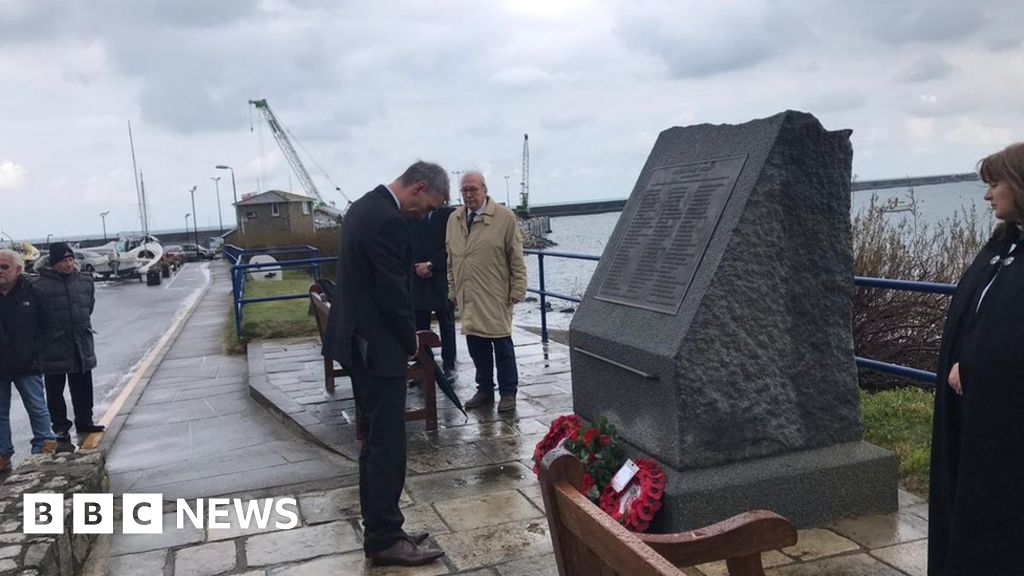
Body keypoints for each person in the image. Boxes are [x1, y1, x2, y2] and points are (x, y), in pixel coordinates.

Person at [322, 161, 449, 567]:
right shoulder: (389, 221)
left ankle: (383, 526)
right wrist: (410, 339)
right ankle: (384, 539)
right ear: (418, 187)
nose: (426, 215)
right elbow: (394, 292)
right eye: (429, 206)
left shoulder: (362, 207)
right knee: (388, 445)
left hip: (357, 344)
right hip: (377, 350)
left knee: (374, 442)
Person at [929, 142, 1024, 576]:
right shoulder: (1004, 246)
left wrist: (980, 368)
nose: (988, 196)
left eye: (995, 183)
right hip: (972, 412)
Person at [446, 171, 527, 413]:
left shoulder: (504, 218)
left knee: (501, 343)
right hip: (467, 293)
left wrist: (518, 287)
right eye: (464, 190)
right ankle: (484, 390)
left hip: (495, 291)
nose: (468, 194)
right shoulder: (454, 219)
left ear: (484, 189)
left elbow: (516, 256)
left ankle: (508, 392)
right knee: (476, 344)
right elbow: (450, 258)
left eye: (473, 189)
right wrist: (452, 288)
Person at [36, 242, 104, 450]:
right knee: (55, 390)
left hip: (80, 342)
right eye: (64, 260)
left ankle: (85, 420)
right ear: (53, 263)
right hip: (53, 346)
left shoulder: (84, 281)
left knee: (83, 386)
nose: (69, 264)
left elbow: (88, 307)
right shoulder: (39, 285)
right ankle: (60, 427)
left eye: (71, 259)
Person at [0, 249, 57, 471]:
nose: (0, 271)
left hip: (28, 363)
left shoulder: (34, 293)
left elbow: (49, 327)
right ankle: (2, 452)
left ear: (18, 269)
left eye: (4, 267)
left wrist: (35, 351)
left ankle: (44, 444)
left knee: (36, 406)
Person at [410, 204, 456, 377]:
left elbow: (453, 246)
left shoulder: (448, 215)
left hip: (441, 276)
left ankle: (449, 365)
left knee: (447, 322)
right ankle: (423, 363)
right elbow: (403, 244)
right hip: (417, 277)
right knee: (420, 324)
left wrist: (431, 264)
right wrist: (417, 267)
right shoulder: (410, 214)